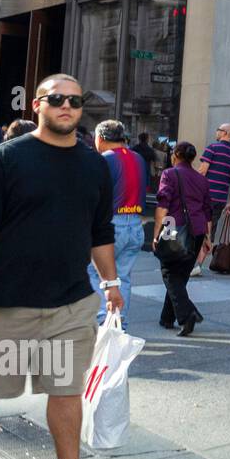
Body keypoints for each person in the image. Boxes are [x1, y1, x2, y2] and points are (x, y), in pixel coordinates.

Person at [0, 74, 124, 459]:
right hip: (8, 304)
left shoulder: (94, 165)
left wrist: (111, 283)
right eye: (56, 99)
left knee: (66, 389)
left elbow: (100, 231)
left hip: (69, 305)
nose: (66, 106)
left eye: (74, 101)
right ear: (37, 105)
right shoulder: (3, 160)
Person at [87, 121, 148, 329]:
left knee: (97, 273)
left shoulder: (104, 159)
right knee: (123, 277)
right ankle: (119, 324)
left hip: (111, 224)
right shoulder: (138, 158)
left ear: (100, 138)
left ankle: (103, 322)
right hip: (135, 224)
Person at [154, 142, 211, 337]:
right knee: (181, 275)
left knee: (169, 272)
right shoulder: (201, 179)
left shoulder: (169, 174)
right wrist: (208, 237)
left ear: (176, 155)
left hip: (172, 227)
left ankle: (187, 315)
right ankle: (167, 317)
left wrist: (156, 234)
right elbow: (207, 210)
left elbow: (163, 205)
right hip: (198, 230)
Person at [193, 123, 230, 276]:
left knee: (193, 227)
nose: (216, 132)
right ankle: (198, 266)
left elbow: (202, 171)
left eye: (218, 130)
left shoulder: (212, 148)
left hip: (204, 196)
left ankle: (188, 263)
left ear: (225, 133)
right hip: (220, 200)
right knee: (210, 231)